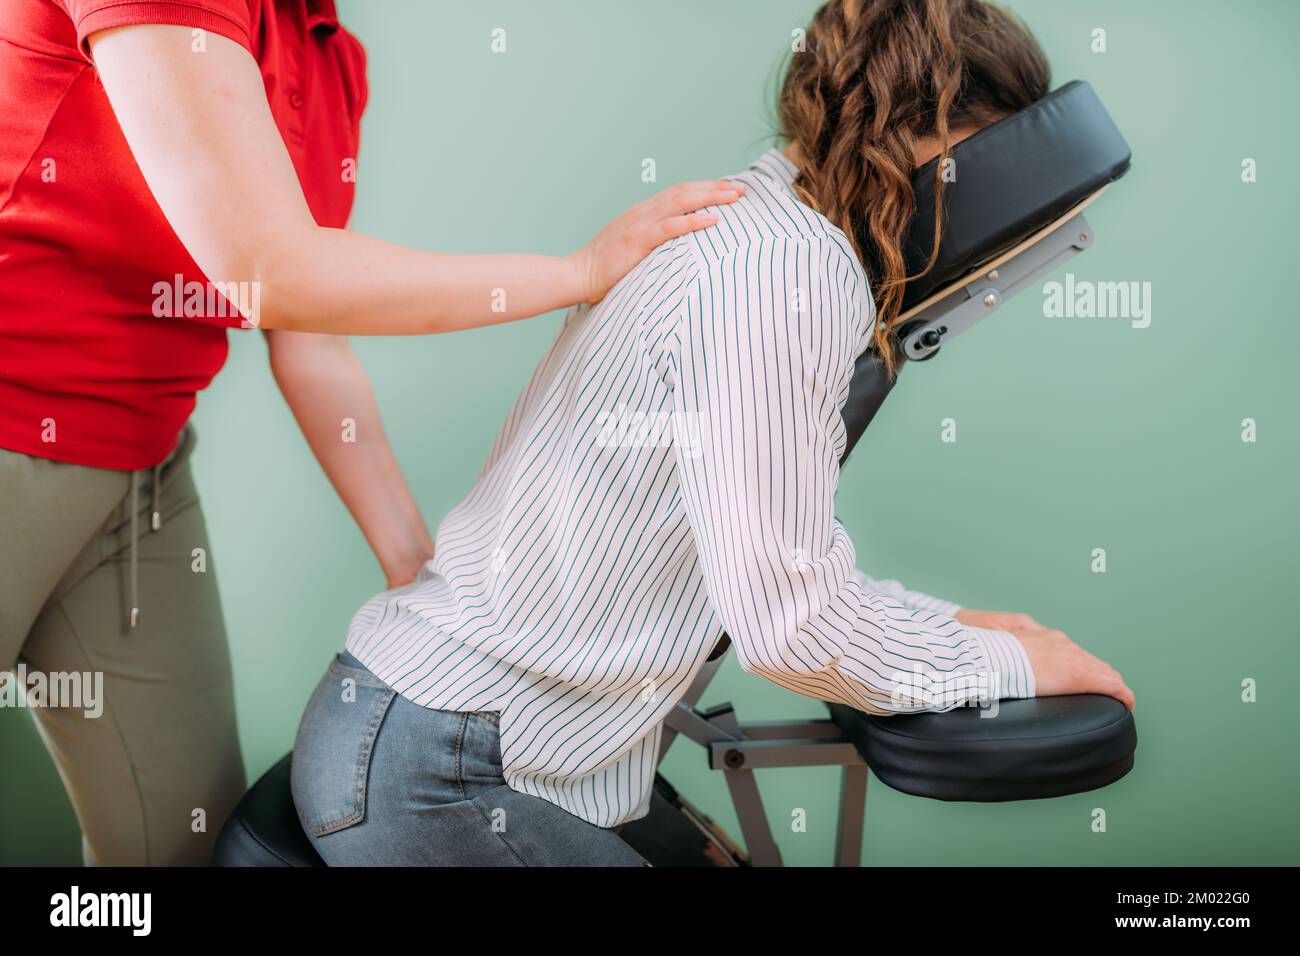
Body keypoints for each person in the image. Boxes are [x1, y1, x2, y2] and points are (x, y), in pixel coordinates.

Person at [293, 0, 1136, 867]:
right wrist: (1007, 668)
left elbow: (779, 557)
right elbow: (790, 622)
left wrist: (956, 627)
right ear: (926, 132)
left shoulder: (759, 226)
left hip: (455, 739)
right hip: (445, 770)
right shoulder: (786, 274)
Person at [0, 0, 742, 866]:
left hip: (142, 467)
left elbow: (308, 332)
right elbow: (266, 274)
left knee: (182, 846)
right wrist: (575, 274)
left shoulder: (326, 51)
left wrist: (412, 562)